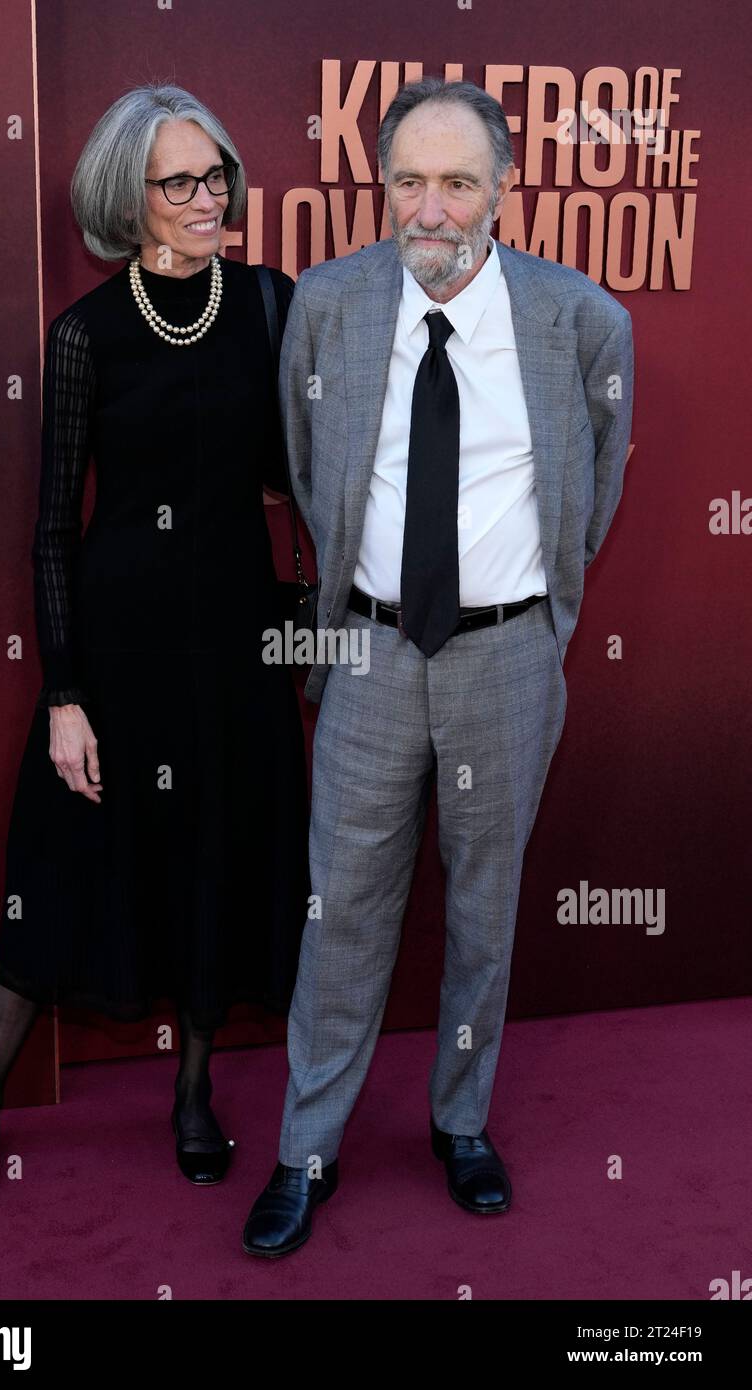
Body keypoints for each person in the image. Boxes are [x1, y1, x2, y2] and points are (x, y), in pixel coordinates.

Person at [243, 76, 634, 1256]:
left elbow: (591, 492)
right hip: (364, 652)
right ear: (381, 183)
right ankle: (304, 1150)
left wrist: (537, 617)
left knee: (482, 914)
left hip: (507, 661)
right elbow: (314, 476)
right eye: (407, 177)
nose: (430, 205)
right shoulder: (326, 305)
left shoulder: (580, 321)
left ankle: (459, 1127)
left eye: (457, 180)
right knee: (340, 914)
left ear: (503, 189)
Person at [0, 83, 310, 1203]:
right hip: (117, 648)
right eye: (181, 182)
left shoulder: (268, 305)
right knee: (54, 869)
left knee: (214, 864)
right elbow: (54, 528)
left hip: (237, 648)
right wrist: (63, 693)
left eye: (217, 175)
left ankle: (192, 1093)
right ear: (127, 199)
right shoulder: (85, 335)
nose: (208, 198)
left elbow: (302, 476)